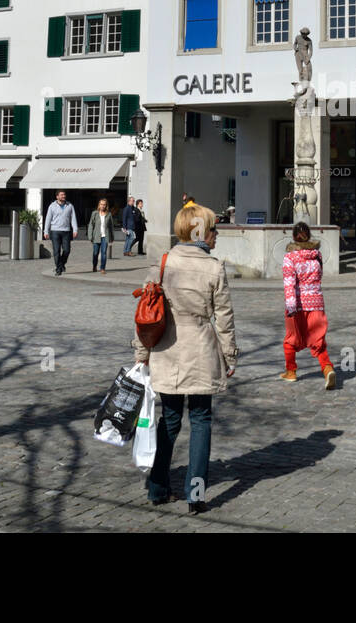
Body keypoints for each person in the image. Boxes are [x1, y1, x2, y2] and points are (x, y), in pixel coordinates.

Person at [135, 204, 238, 514]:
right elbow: (224, 319)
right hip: (202, 350)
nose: (217, 234)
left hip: (167, 350)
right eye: (213, 228)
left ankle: (157, 488)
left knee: (169, 419)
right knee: (201, 419)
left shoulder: (163, 264)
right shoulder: (213, 267)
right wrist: (230, 355)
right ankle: (196, 495)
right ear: (199, 232)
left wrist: (141, 356)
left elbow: (145, 317)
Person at [280, 222, 335, 389]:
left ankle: (291, 372)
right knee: (318, 340)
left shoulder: (290, 258)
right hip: (316, 303)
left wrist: (291, 307)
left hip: (297, 305)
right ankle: (327, 369)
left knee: (291, 339)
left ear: (294, 237)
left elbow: (289, 284)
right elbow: (320, 277)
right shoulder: (317, 256)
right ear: (309, 236)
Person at [43, 190, 79, 276]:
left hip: (66, 231)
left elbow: (73, 218)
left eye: (64, 194)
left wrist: (75, 229)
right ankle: (58, 269)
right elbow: (48, 219)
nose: (64, 196)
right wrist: (46, 231)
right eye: (62, 195)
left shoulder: (70, 206)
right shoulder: (52, 206)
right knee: (56, 251)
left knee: (67, 250)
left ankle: (62, 264)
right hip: (55, 231)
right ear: (57, 197)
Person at [88, 198, 116, 274]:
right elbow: (91, 225)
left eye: (104, 204)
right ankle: (94, 266)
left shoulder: (109, 214)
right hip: (96, 236)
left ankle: (102, 268)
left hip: (105, 237)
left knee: (104, 253)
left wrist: (112, 237)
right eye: (101, 204)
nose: (103, 206)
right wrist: (90, 236)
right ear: (99, 205)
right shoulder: (94, 213)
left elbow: (111, 227)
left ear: (106, 206)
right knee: (95, 253)